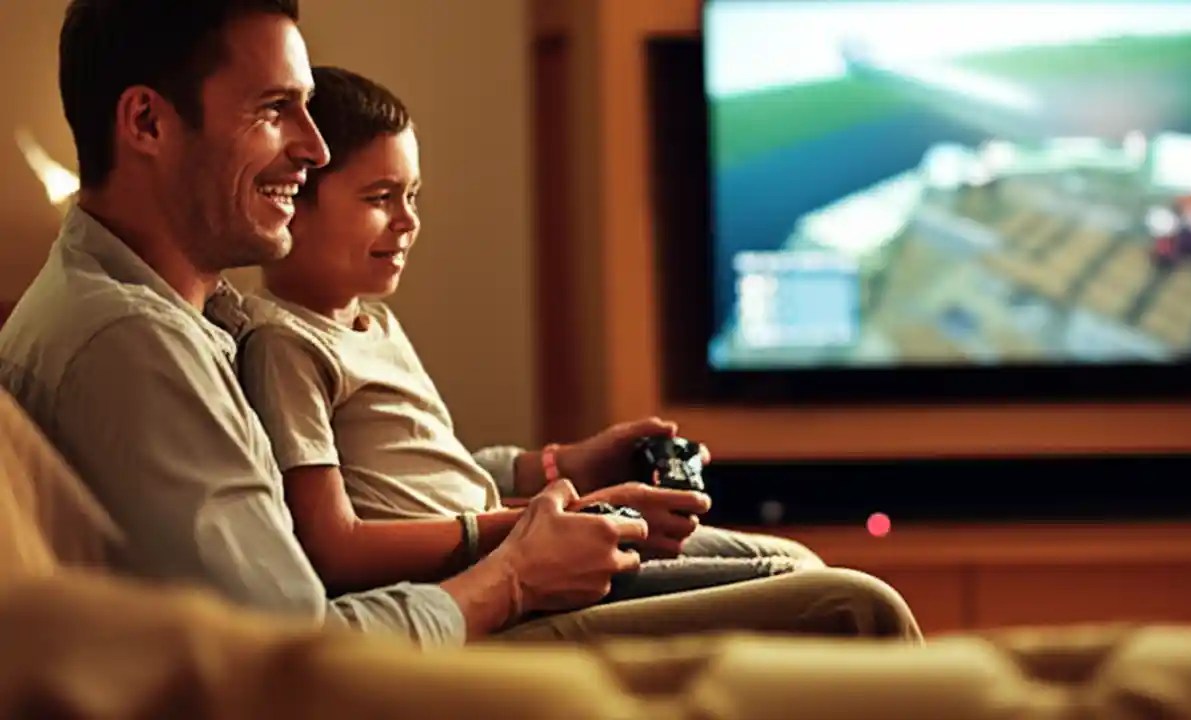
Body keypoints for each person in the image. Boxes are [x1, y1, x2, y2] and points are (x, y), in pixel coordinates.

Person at [0, 0, 922, 646]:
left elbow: (377, 473)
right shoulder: (133, 346)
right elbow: (294, 653)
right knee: (851, 609)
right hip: (406, 653)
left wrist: (555, 472)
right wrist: (515, 566)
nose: (312, 150)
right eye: (276, 110)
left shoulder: (194, 320)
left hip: (436, 607)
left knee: (799, 569)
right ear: (147, 124)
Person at [234, 65, 820, 608]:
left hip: (518, 544)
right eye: (379, 198)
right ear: (294, 201)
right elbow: (333, 547)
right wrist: (560, 519)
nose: (409, 221)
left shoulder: (372, 323)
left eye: (411, 196)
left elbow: (424, 483)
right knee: (815, 593)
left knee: (799, 561)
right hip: (498, 585)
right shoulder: (286, 345)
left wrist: (564, 469)